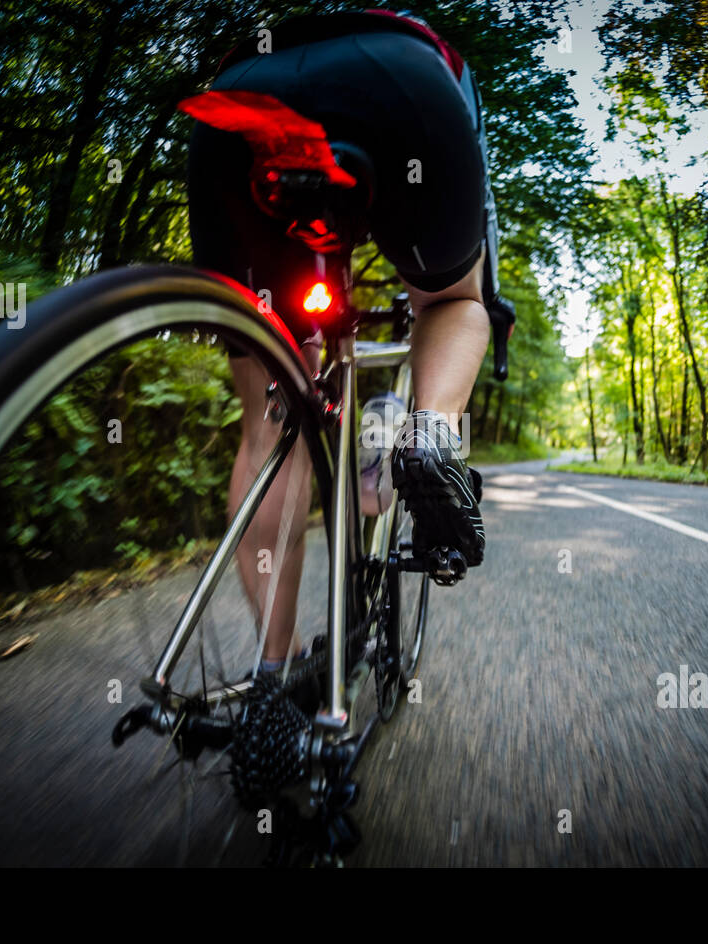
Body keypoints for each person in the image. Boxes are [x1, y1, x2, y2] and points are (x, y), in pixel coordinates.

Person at [186, 9, 504, 681]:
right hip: (402, 78)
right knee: (453, 300)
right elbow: (466, 278)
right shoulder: (435, 49)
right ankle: (427, 432)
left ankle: (273, 676)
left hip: (237, 101)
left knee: (269, 428)